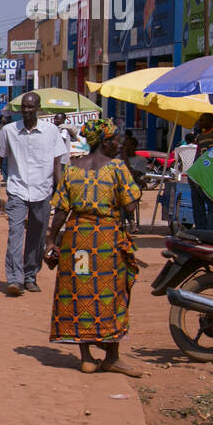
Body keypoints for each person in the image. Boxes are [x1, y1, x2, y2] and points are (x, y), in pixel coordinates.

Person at [44, 119, 144, 377]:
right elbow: (130, 206)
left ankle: (87, 358)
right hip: (106, 242)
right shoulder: (117, 168)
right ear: (105, 142)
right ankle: (112, 357)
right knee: (112, 294)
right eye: (115, 141)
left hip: (78, 242)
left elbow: (61, 210)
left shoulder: (73, 169)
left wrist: (51, 240)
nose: (118, 144)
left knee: (81, 291)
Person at [0, 91, 68, 297]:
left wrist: (62, 191)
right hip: (17, 190)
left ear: (38, 109)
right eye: (24, 106)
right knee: (15, 234)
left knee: (37, 236)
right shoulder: (9, 131)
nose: (26, 110)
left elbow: (57, 164)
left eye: (30, 107)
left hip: (43, 191)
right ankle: (15, 279)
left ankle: (30, 276)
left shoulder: (51, 131)